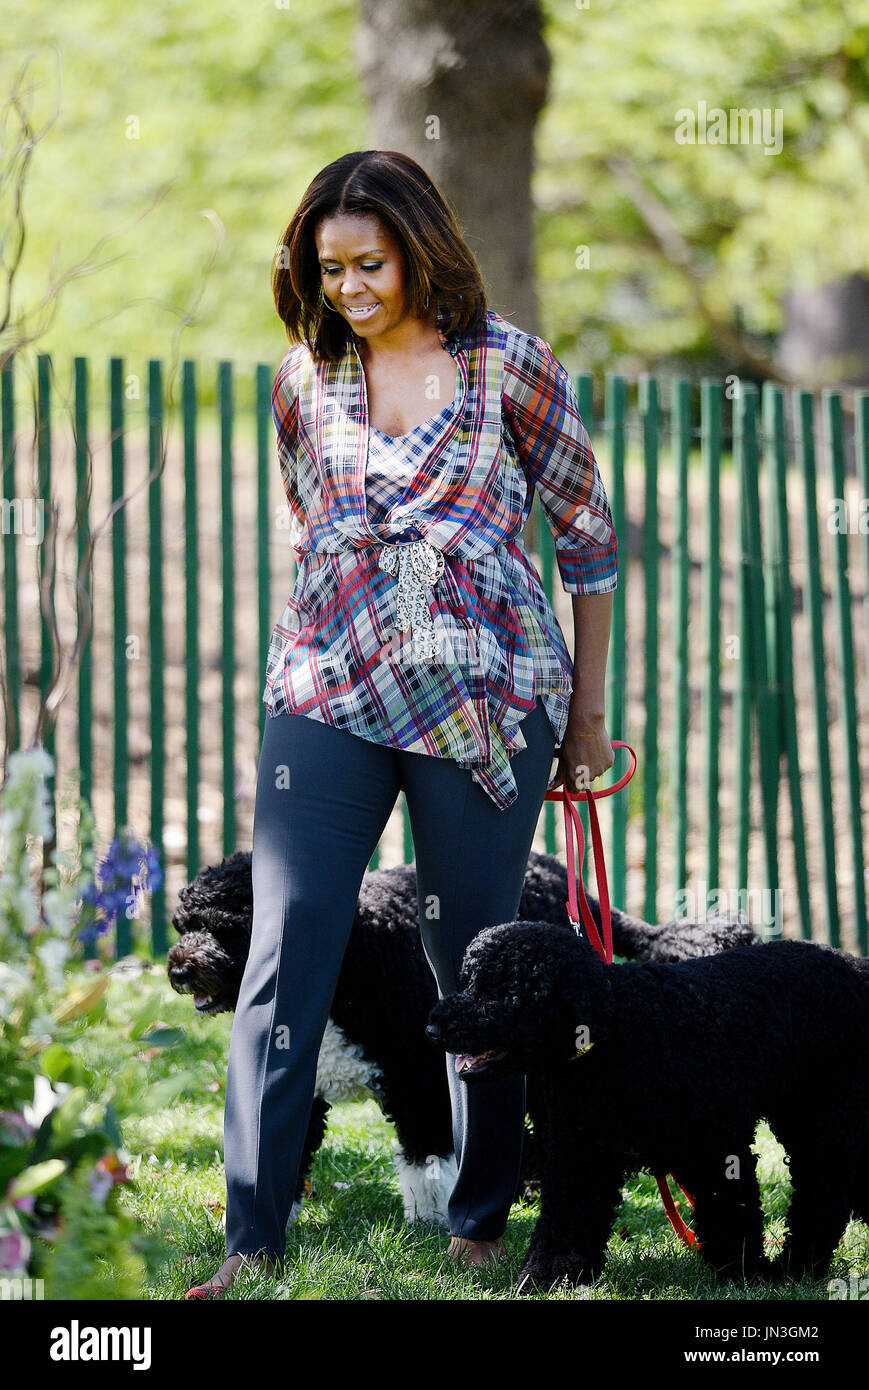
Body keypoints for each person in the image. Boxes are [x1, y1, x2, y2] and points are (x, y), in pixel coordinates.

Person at [185, 149, 618, 1298]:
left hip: (486, 699)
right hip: (328, 691)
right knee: (288, 943)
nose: (348, 288)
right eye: (327, 268)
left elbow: (586, 539)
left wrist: (582, 717)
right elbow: (310, 528)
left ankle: (482, 1206)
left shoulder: (511, 366)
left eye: (367, 263)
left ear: (420, 248)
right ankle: (252, 1237)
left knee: (468, 956)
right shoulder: (301, 380)